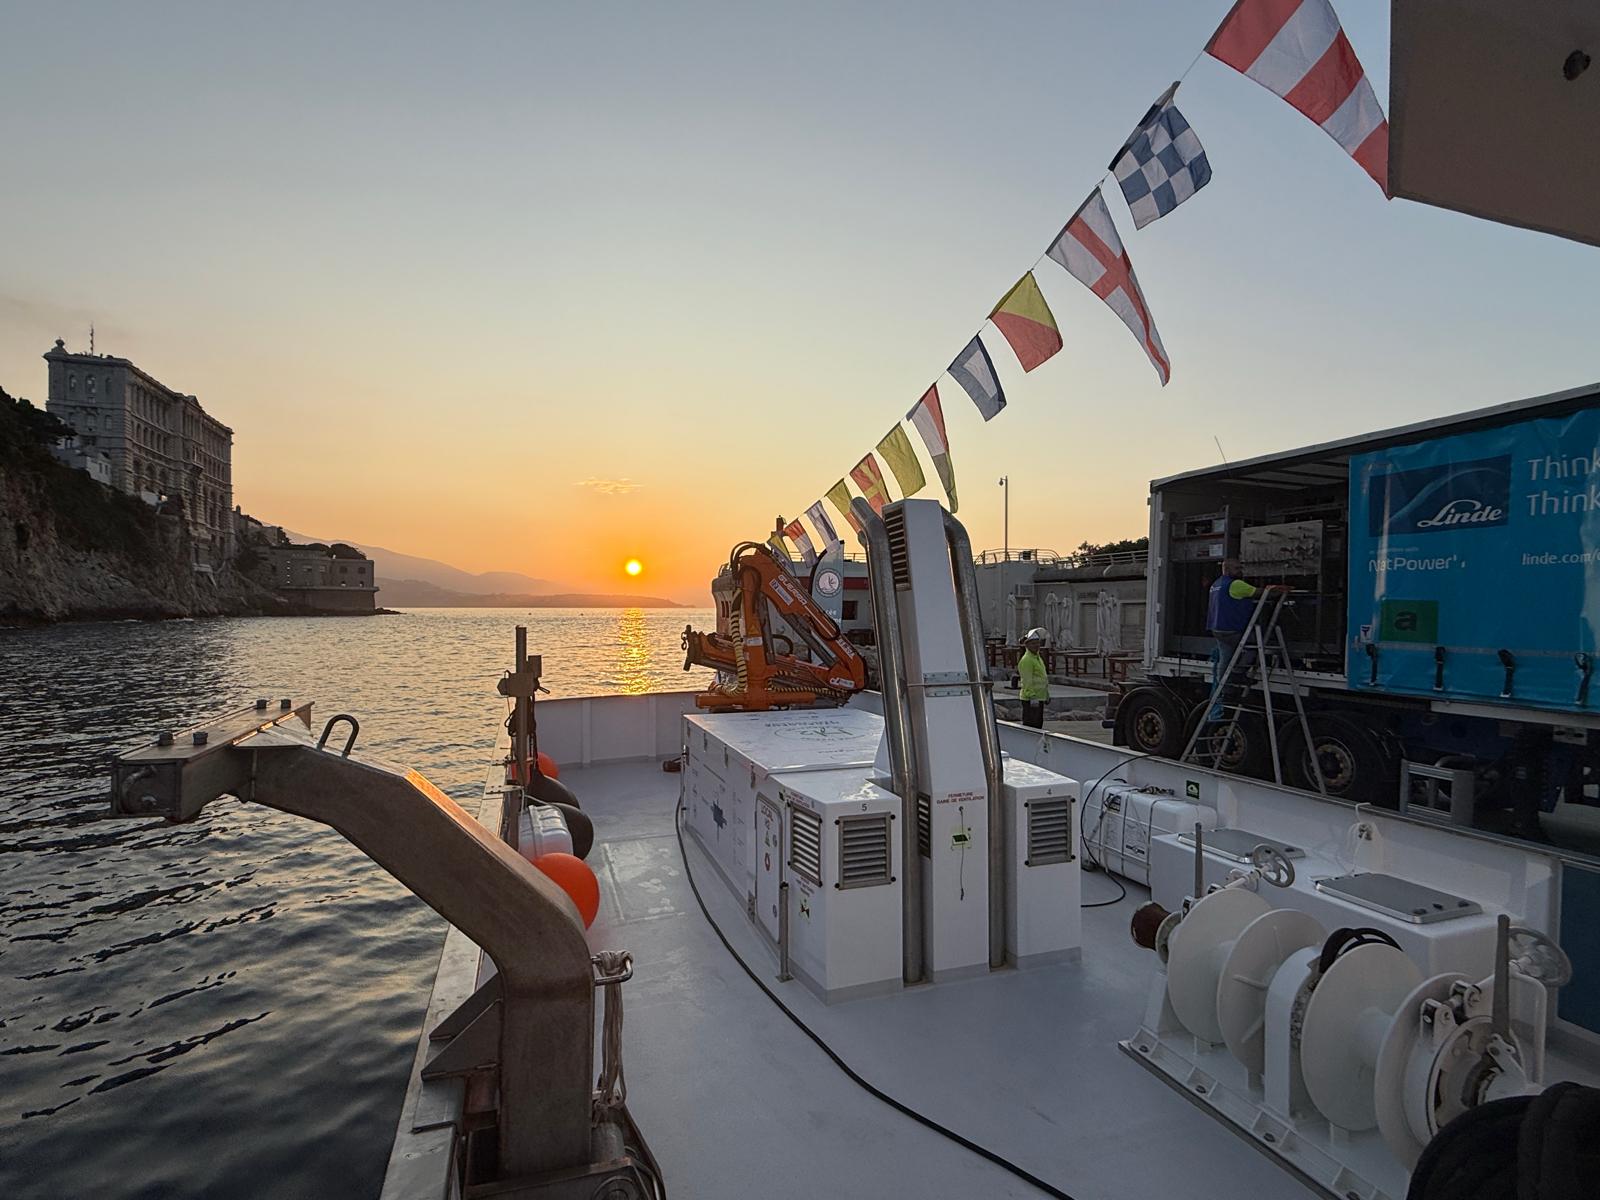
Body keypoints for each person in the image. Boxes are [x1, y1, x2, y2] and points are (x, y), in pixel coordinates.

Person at [1206, 559, 1286, 708]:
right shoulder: (1235, 584)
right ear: (1228, 570)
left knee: (1226, 657)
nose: (1241, 571)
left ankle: (1226, 691)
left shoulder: (1216, 584)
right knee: (1253, 645)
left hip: (1217, 628)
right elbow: (1262, 593)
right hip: (1232, 628)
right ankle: (1239, 673)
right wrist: (1278, 591)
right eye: (1237, 568)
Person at [1017, 627, 1050, 729]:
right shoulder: (1027, 660)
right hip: (1031, 699)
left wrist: (1046, 695)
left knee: (1038, 725)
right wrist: (1032, 697)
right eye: (1033, 643)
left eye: (1037, 643)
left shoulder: (1037, 657)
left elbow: (1043, 678)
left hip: (1040, 697)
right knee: (1031, 726)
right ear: (1027, 645)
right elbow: (1027, 681)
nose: (1036, 645)